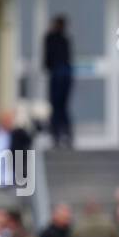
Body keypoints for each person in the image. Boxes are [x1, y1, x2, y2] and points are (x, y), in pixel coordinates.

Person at [43, 16, 74, 147]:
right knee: (62, 107)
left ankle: (57, 135)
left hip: (58, 76)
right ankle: (65, 135)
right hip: (64, 75)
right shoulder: (65, 39)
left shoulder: (52, 38)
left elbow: (47, 59)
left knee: (57, 107)